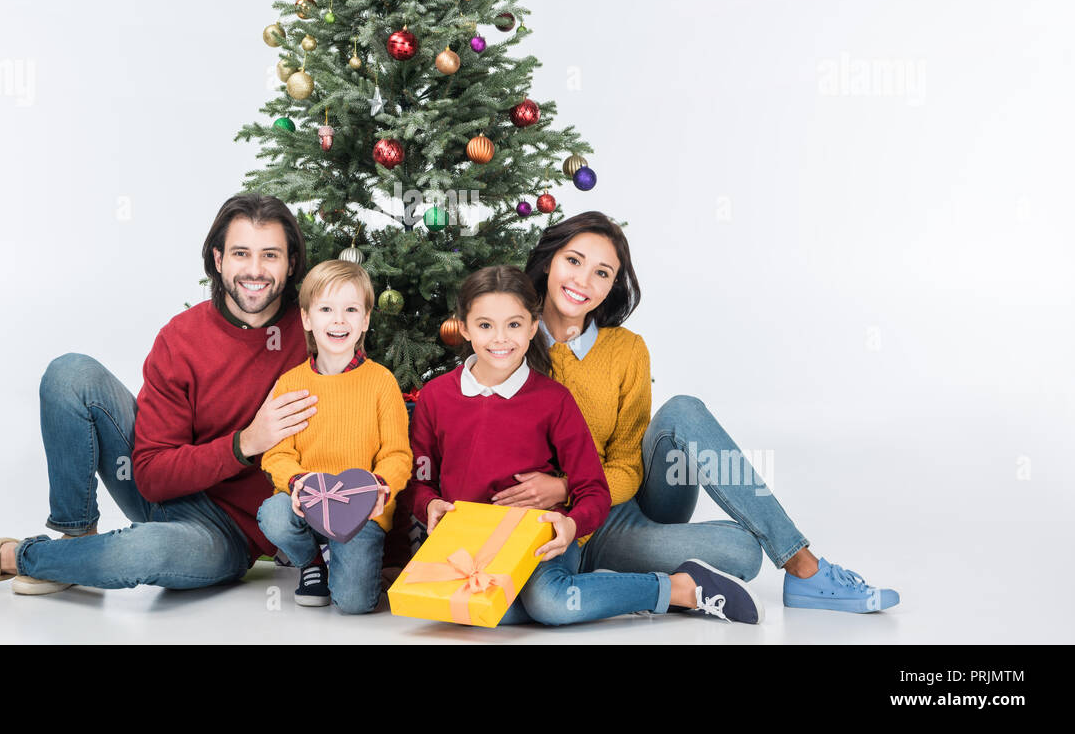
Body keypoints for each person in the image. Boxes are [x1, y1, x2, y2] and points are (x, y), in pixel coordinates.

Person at [485, 211, 899, 614]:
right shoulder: (508, 339)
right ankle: (617, 580)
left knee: (683, 411)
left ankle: (804, 568)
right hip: (553, 530)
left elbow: (629, 467)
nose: (583, 281)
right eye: (573, 261)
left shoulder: (626, 349)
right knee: (739, 551)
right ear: (549, 262)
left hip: (618, 509)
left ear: (612, 286)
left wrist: (563, 488)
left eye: (602, 272)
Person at [0, 193, 322, 594]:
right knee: (71, 374)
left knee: (139, 553)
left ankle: (14, 558)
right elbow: (152, 475)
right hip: (161, 491)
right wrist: (244, 444)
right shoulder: (182, 338)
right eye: (240, 253)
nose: (255, 269)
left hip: (225, 535)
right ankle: (74, 539)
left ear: (290, 264)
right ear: (217, 259)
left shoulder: (314, 337)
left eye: (270, 254)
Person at [405, 265, 762, 626]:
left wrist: (572, 526)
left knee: (550, 604)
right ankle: (603, 588)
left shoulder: (552, 399)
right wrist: (429, 504)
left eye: (514, 325)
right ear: (463, 327)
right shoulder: (435, 398)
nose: (500, 338)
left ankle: (680, 589)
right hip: (471, 545)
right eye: (485, 326)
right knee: (476, 612)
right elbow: (420, 481)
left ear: (532, 327)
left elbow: (592, 489)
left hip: (541, 539)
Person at [256, 260, 412, 613]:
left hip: (362, 511)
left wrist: (379, 486)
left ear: (366, 320)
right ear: (308, 319)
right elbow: (277, 455)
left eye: (351, 310)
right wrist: (298, 482)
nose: (339, 320)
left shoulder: (381, 382)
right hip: (307, 502)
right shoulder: (291, 383)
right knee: (273, 514)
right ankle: (311, 563)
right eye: (326, 309)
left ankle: (353, 565)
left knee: (355, 605)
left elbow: (398, 455)